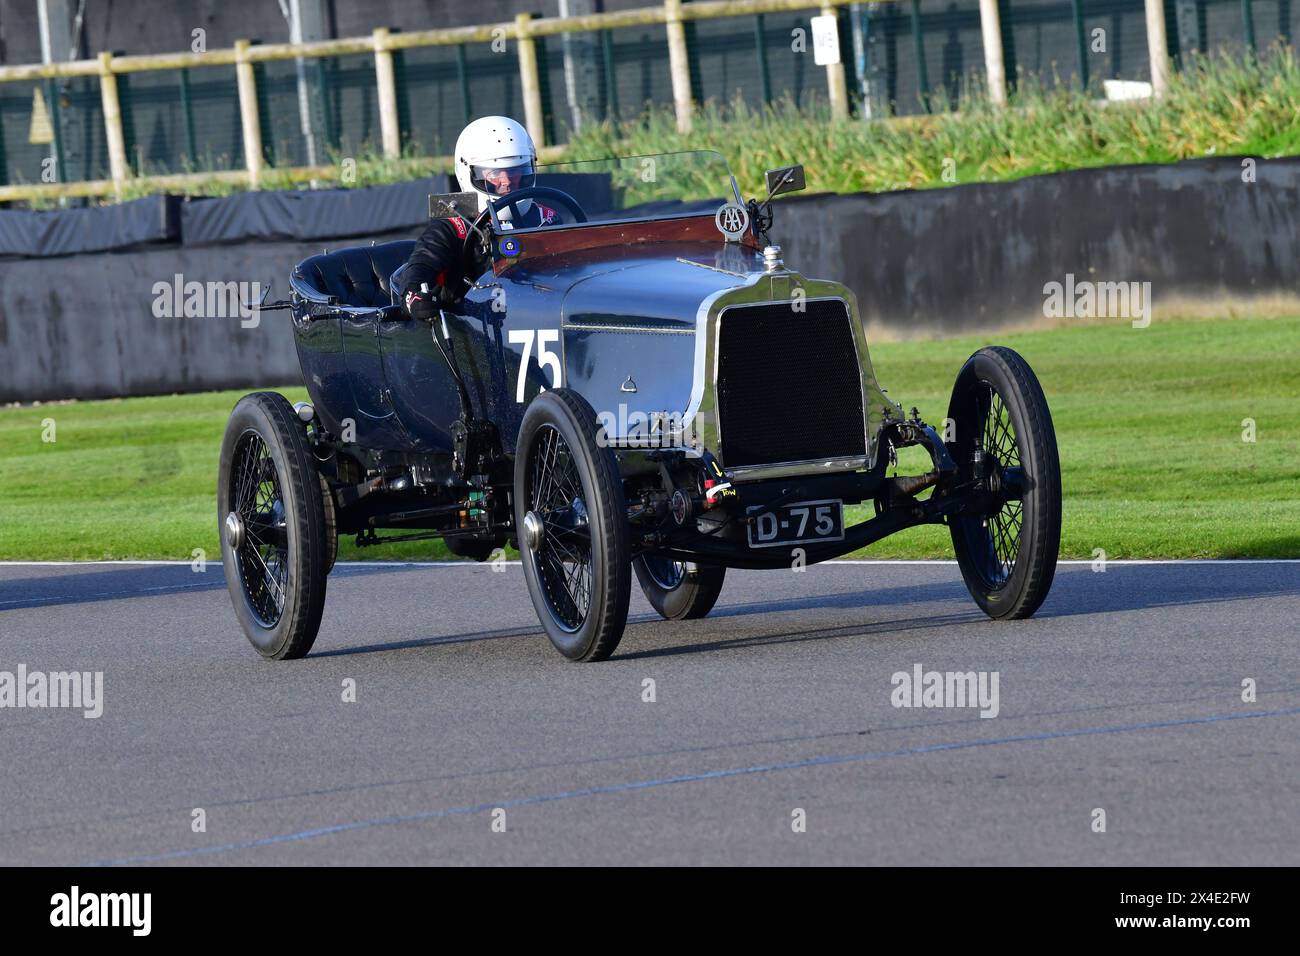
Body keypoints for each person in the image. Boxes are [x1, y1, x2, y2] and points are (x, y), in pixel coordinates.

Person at [401, 116, 557, 321]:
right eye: (494, 173)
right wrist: (415, 298)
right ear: (468, 173)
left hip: (540, 316)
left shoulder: (546, 220)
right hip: (471, 325)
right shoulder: (451, 226)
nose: (506, 181)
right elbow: (420, 270)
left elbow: (572, 271)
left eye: (515, 171)